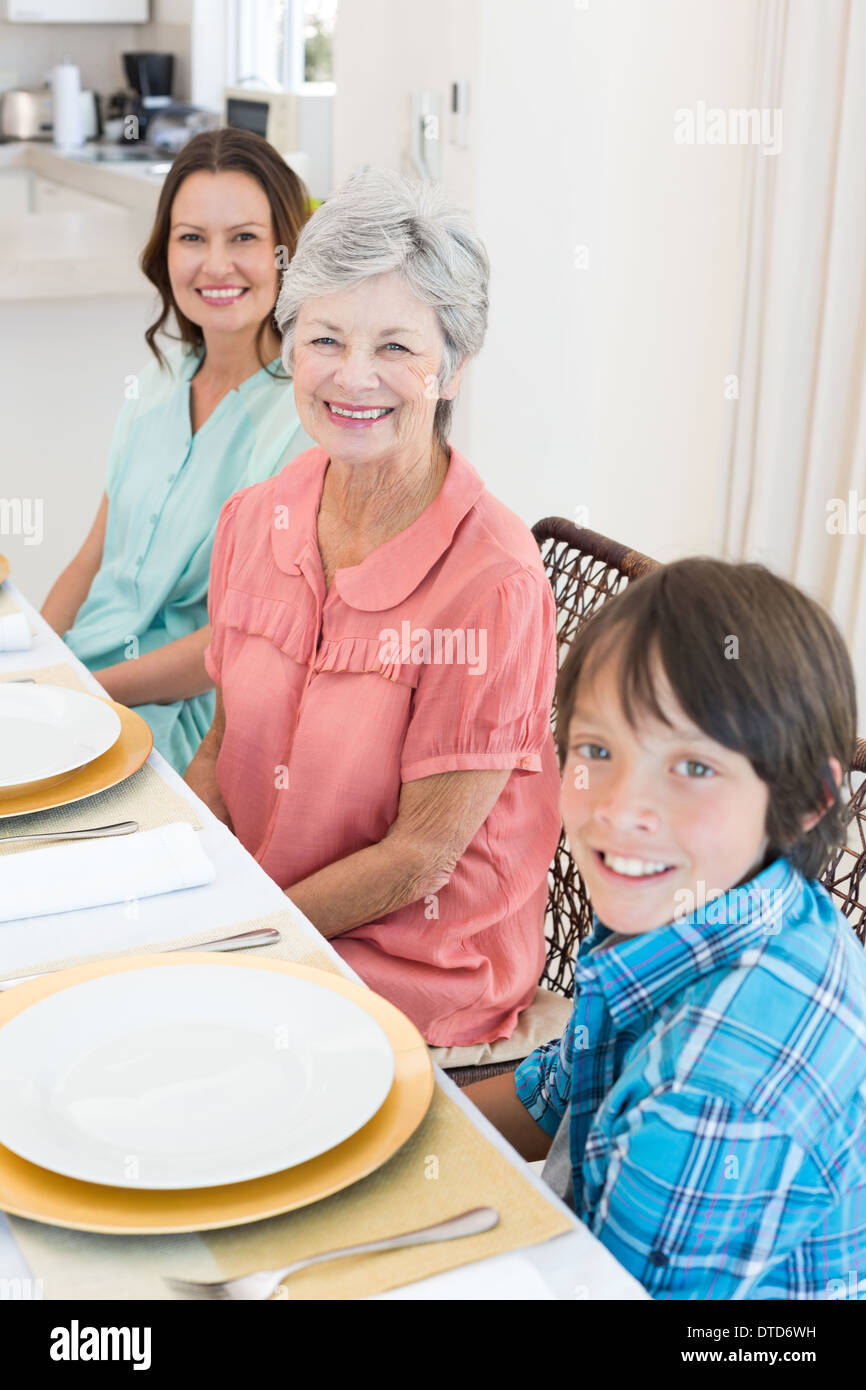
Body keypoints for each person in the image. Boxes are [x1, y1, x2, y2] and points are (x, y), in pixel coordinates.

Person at [185, 167, 561, 1047]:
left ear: (455, 367)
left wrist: (245, 938)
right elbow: (220, 741)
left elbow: (420, 857)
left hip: (411, 973)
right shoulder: (258, 516)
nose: (354, 378)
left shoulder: (493, 582)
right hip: (265, 925)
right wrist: (193, 887)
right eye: (326, 339)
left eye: (396, 347)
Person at [466, 557, 866, 1299]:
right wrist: (395, 1125)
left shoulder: (719, 1095)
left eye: (693, 767)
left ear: (807, 799)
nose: (621, 808)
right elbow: (555, 1090)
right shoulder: (710, 907)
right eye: (597, 751)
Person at [41, 129, 315, 774]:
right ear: (165, 251)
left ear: (284, 253)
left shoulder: (303, 421)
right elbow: (93, 556)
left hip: (182, 729)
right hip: (84, 680)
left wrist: (85, 693)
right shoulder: (160, 378)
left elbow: (235, 644)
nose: (215, 264)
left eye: (243, 237)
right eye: (192, 237)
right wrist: (41, 666)